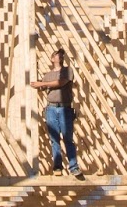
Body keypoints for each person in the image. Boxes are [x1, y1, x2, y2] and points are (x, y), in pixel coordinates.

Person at [29, 48, 82, 178]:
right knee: (54, 140)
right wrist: (37, 84)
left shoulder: (67, 71)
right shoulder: (48, 75)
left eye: (62, 55)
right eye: (58, 55)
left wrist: (42, 84)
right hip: (51, 109)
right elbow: (41, 87)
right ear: (52, 59)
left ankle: (74, 167)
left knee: (68, 138)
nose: (61, 57)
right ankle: (57, 167)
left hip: (65, 108)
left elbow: (60, 82)